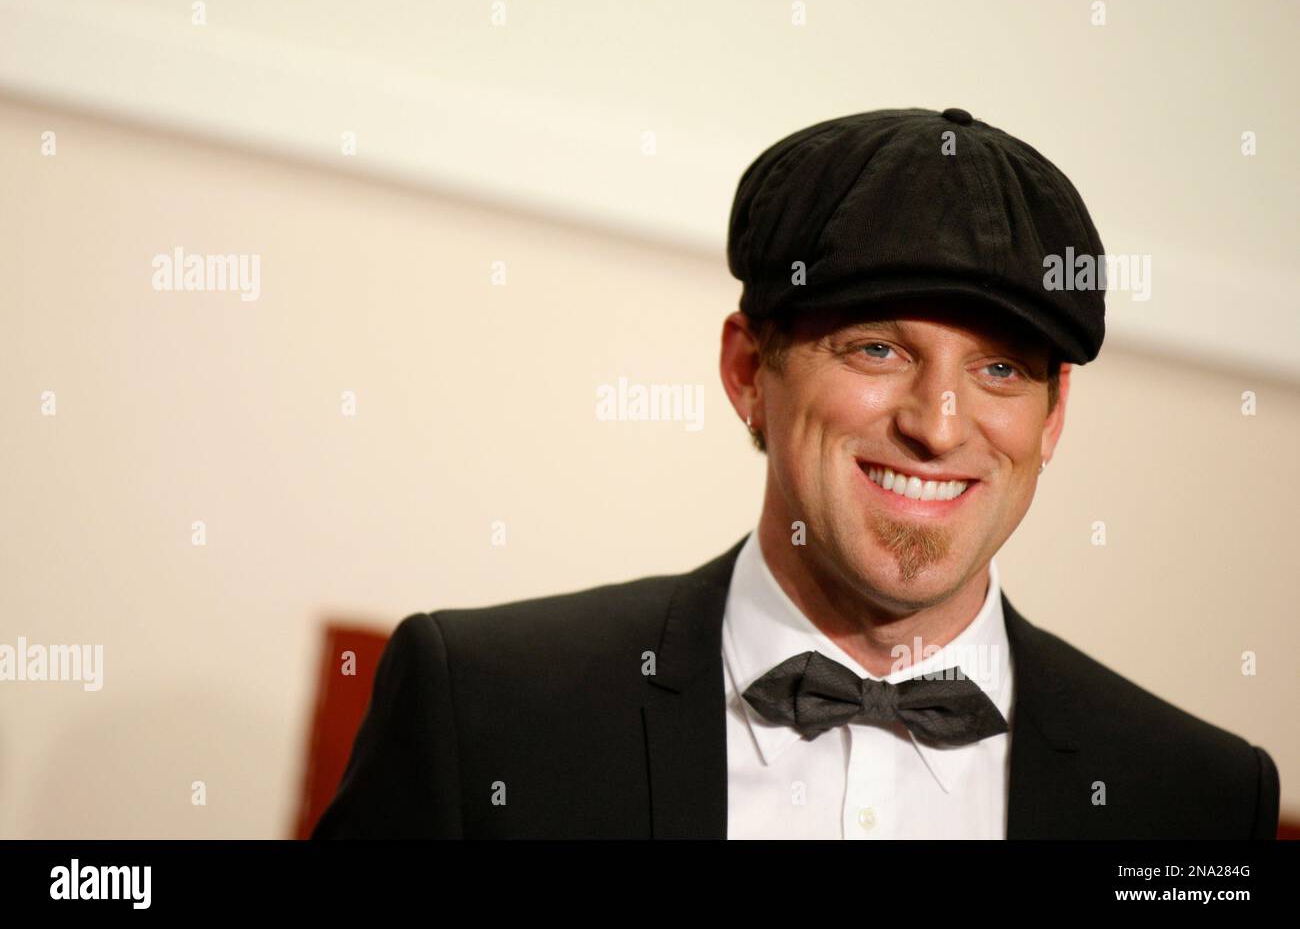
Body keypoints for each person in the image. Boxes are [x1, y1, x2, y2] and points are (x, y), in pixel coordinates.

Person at [312, 107, 1280, 839]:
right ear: (747, 372)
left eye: (998, 369)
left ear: (1053, 413)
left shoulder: (1193, 799)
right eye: (875, 349)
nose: (938, 425)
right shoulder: (484, 711)